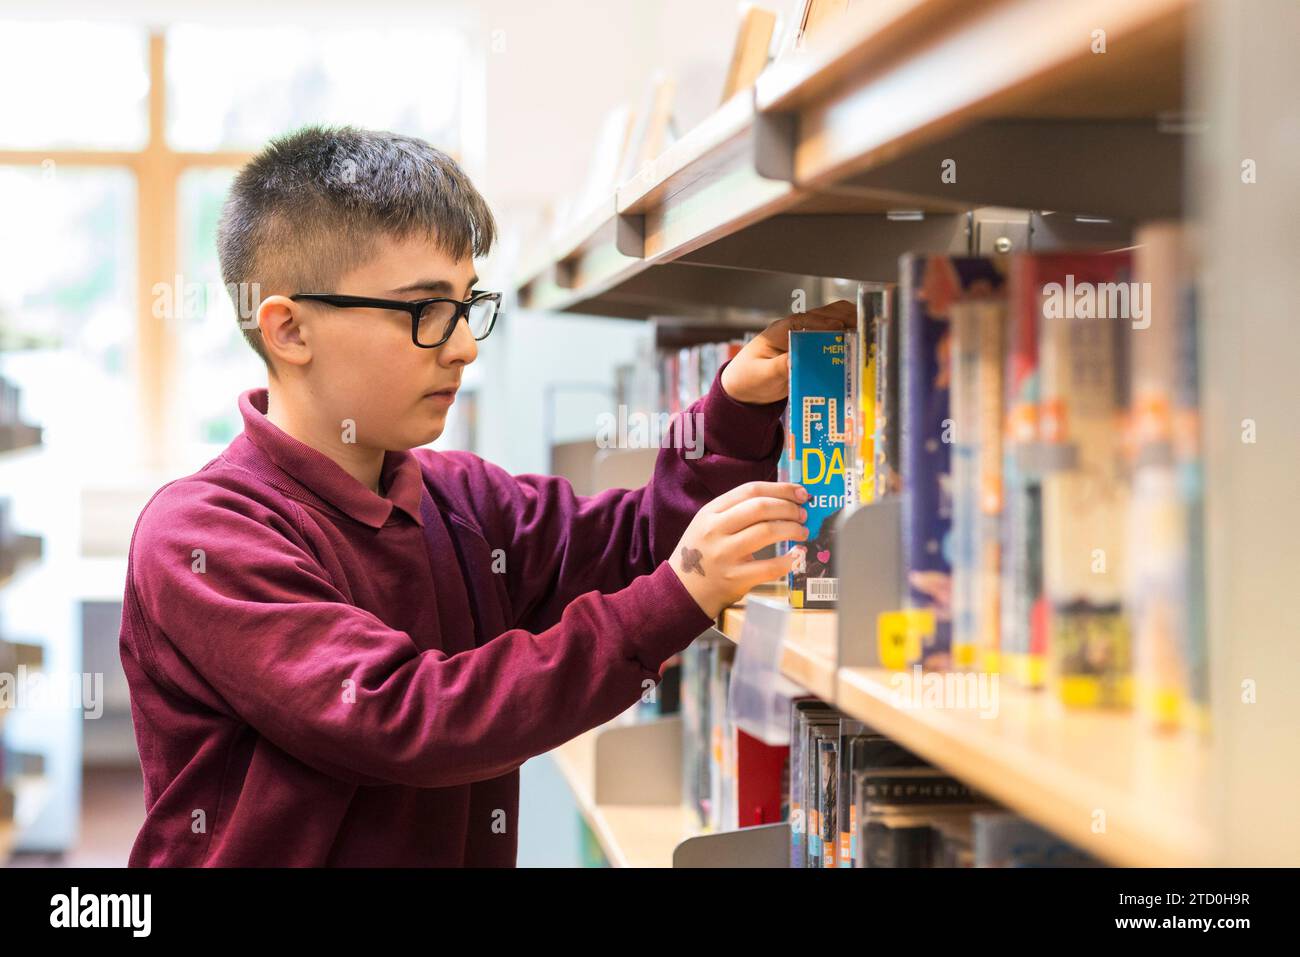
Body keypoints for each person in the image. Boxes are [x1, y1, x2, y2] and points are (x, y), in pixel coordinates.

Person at [119, 124, 854, 866]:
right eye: (425, 310)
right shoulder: (202, 535)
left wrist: (733, 409)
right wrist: (672, 599)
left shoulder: (460, 497)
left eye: (469, 306)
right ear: (289, 329)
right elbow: (398, 716)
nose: (465, 345)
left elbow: (640, 547)